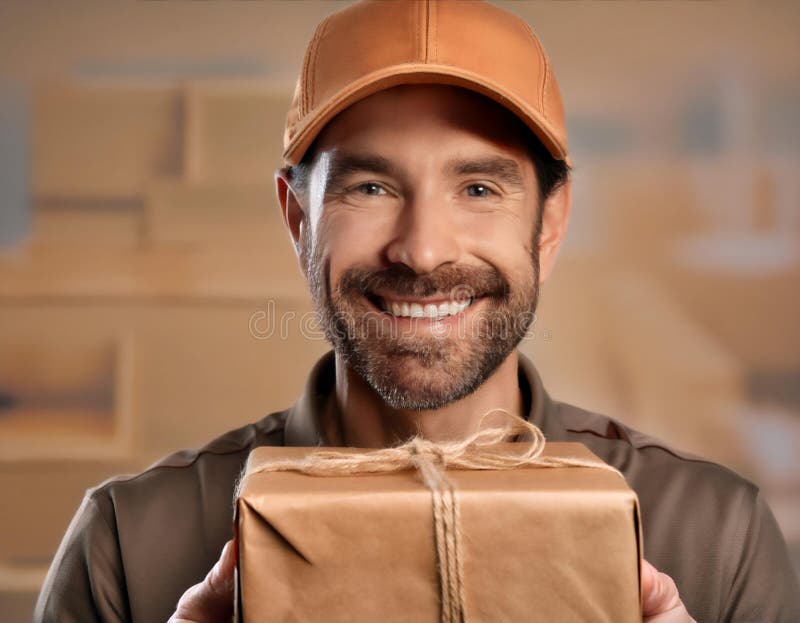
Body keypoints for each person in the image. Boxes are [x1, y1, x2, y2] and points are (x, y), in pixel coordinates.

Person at [35, 1, 799, 622]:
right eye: (370, 186)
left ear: (550, 222)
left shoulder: (716, 540)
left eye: (478, 188)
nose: (424, 251)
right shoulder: (126, 551)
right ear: (298, 218)